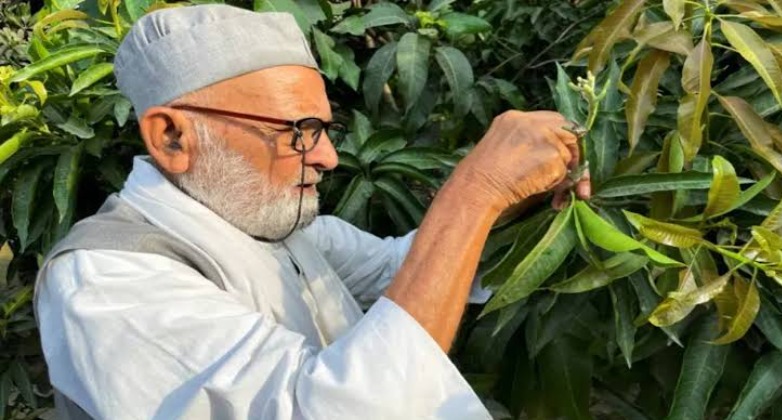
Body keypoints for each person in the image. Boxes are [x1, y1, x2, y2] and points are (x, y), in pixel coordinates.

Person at [34, 4, 590, 420]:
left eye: (325, 129)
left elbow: (407, 267)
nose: (326, 157)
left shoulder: (281, 230)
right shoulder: (105, 280)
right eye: (298, 131)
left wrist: (518, 206)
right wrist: (475, 189)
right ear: (173, 136)